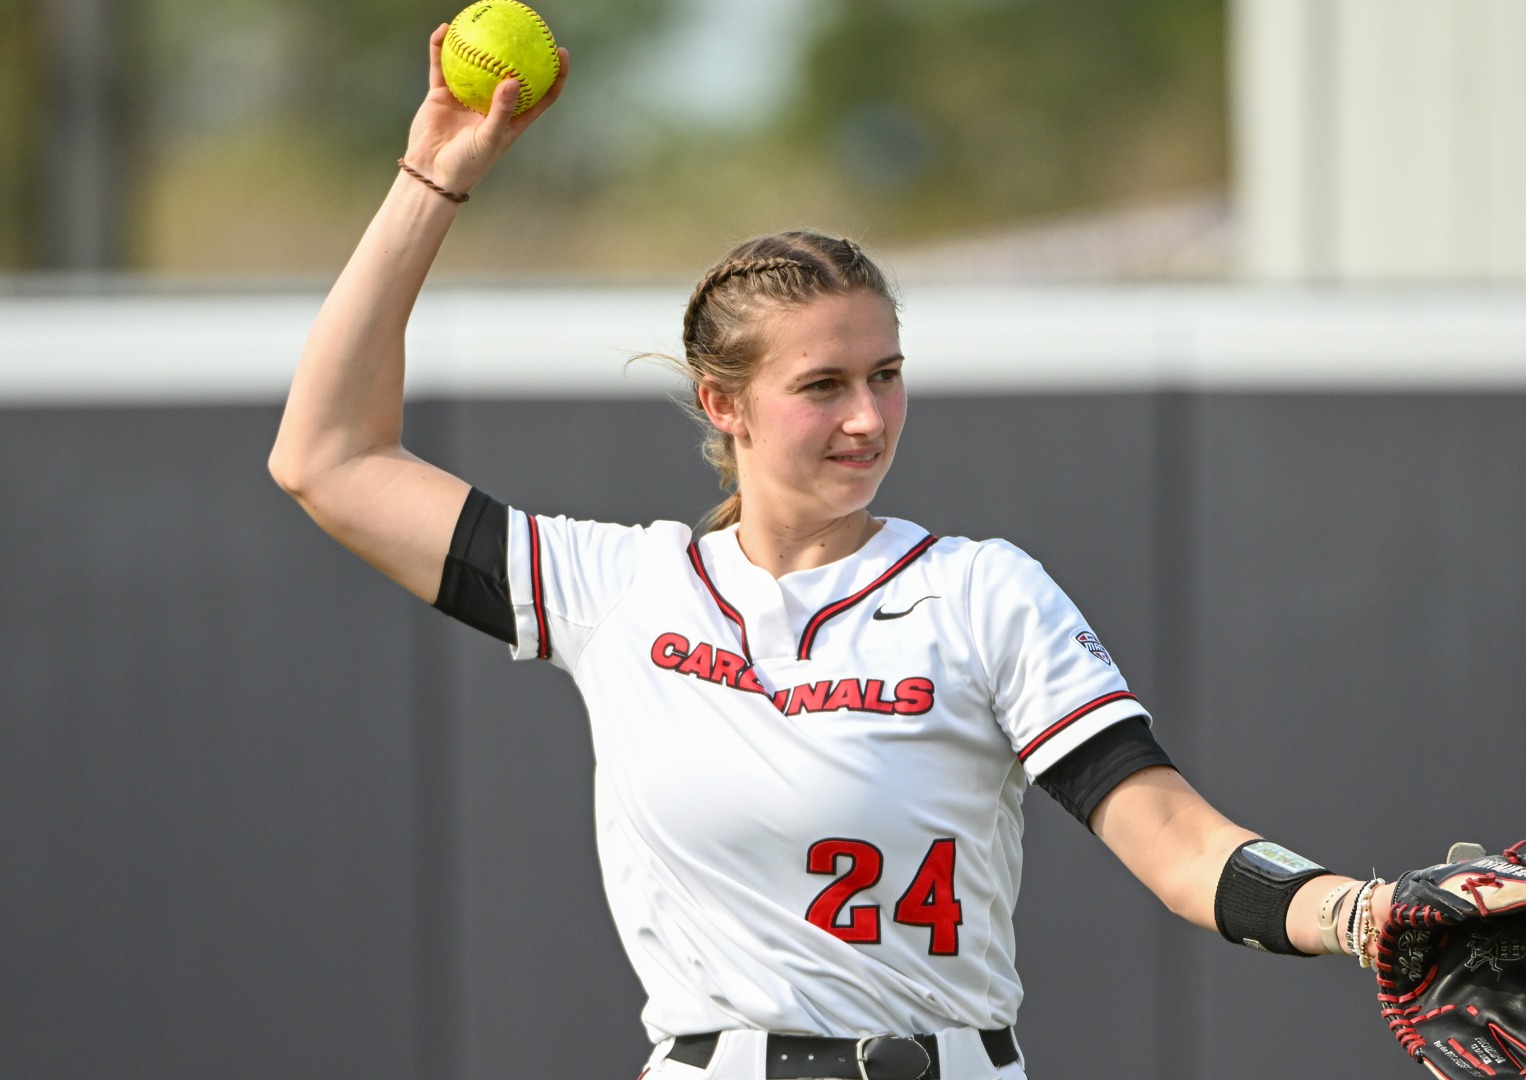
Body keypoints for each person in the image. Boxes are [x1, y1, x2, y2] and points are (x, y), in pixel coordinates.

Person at [270, 26, 1395, 1080]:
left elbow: (1176, 841)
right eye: (823, 386)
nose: (869, 415)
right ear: (724, 404)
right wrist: (432, 180)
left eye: (886, 374)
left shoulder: (982, 593)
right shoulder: (619, 590)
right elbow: (326, 458)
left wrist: (1363, 914)